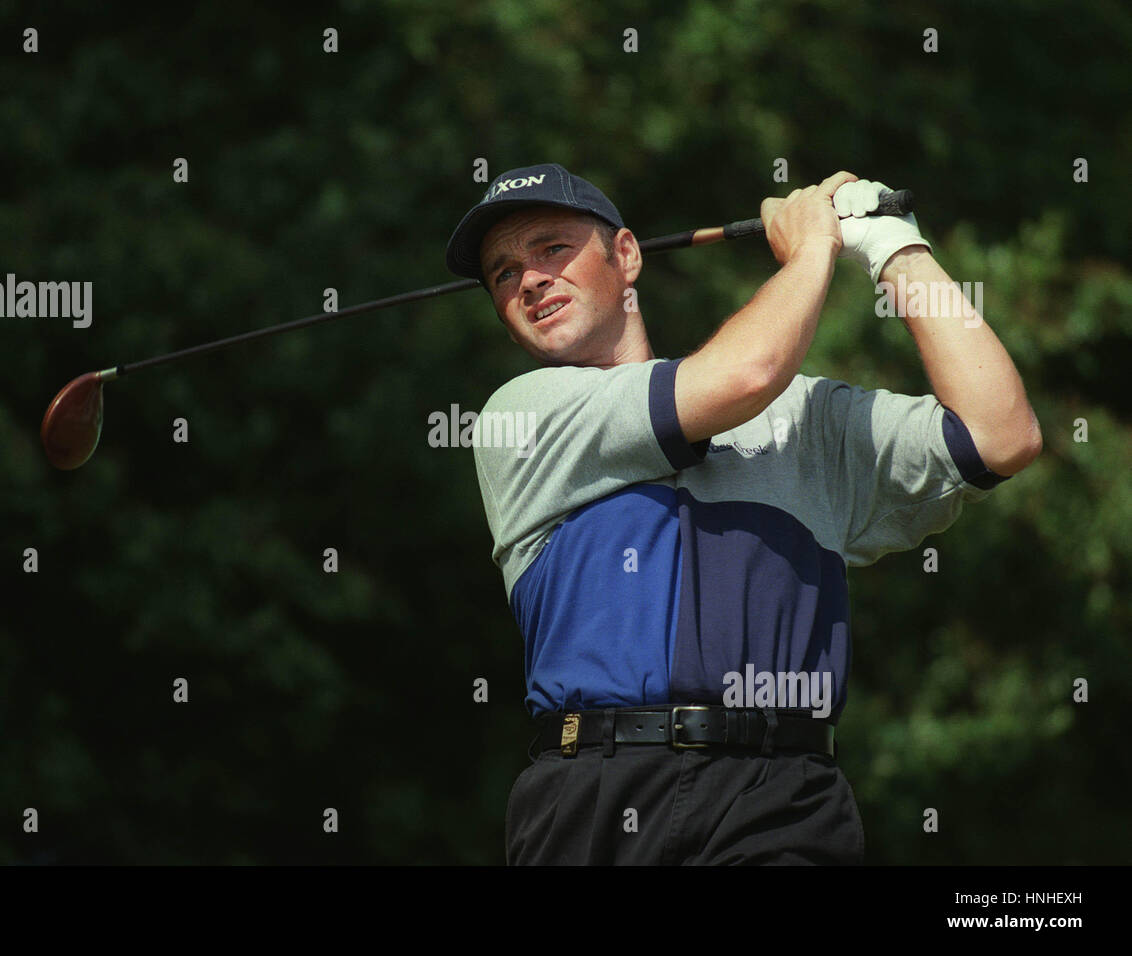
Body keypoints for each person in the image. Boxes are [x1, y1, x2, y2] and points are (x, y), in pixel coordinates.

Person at [445, 163, 1042, 865]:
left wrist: (894, 249)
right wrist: (815, 247)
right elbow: (745, 375)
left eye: (551, 248)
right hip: (595, 800)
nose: (531, 279)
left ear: (627, 255)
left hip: (781, 800)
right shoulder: (517, 417)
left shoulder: (805, 420)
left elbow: (1002, 434)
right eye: (503, 273)